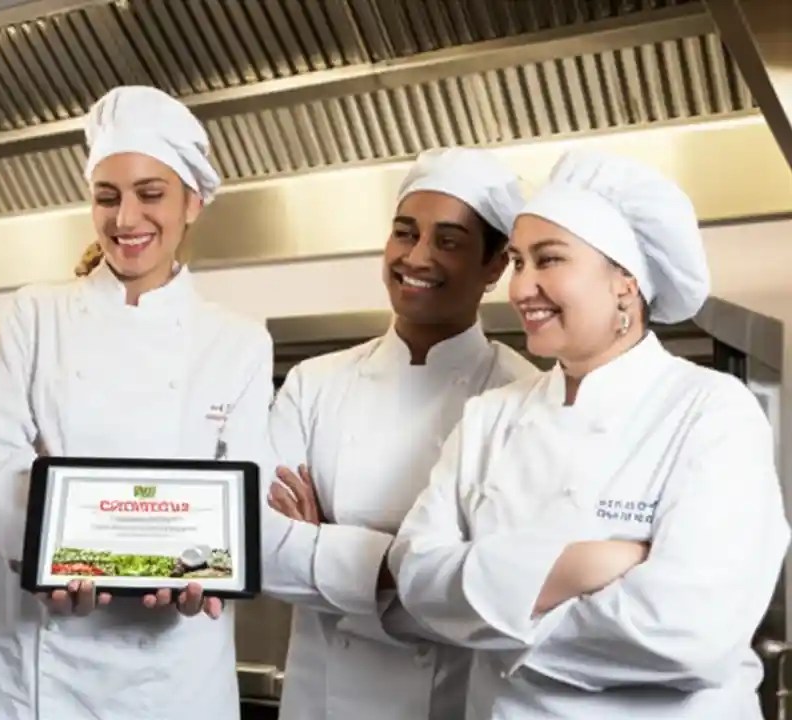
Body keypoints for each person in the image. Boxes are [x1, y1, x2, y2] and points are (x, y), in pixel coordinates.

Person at [388, 149, 790, 718]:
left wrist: (494, 619)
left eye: (549, 260)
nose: (522, 287)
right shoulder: (491, 415)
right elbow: (417, 577)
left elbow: (687, 631)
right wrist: (576, 569)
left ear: (625, 282)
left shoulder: (711, 410)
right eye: (518, 262)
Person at [0, 85, 271, 720]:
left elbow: (246, 485)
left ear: (193, 202)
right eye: (108, 196)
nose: (126, 219)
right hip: (36, 671)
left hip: (176, 678)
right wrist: (49, 564)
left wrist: (206, 571)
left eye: (151, 194)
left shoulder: (237, 340)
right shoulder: (36, 312)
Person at [263, 147, 539, 720]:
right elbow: (262, 551)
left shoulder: (525, 399)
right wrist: (432, 566)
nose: (416, 256)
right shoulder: (313, 385)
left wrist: (319, 547)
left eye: (449, 241)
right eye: (404, 233)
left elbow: (497, 595)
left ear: (494, 266)